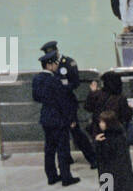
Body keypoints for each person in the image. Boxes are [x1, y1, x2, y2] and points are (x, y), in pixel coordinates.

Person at [38, 40, 96, 169]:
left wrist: (61, 87)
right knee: (60, 135)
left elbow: (75, 82)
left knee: (76, 132)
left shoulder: (68, 63)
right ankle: (66, 159)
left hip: (67, 104)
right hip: (55, 106)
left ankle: (92, 158)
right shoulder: (48, 65)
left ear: (57, 51)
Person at [32, 52, 80, 187]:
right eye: (54, 64)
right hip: (59, 118)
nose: (56, 67)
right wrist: (70, 118)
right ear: (49, 65)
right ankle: (66, 177)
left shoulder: (37, 79)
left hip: (46, 117)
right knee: (63, 149)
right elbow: (62, 101)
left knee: (49, 149)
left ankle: (51, 176)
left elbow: (36, 97)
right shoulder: (55, 80)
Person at [85, 71, 133, 139]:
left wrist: (92, 92)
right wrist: (130, 109)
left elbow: (88, 107)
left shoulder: (97, 94)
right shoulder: (121, 97)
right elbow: (126, 116)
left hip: (98, 130)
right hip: (116, 132)